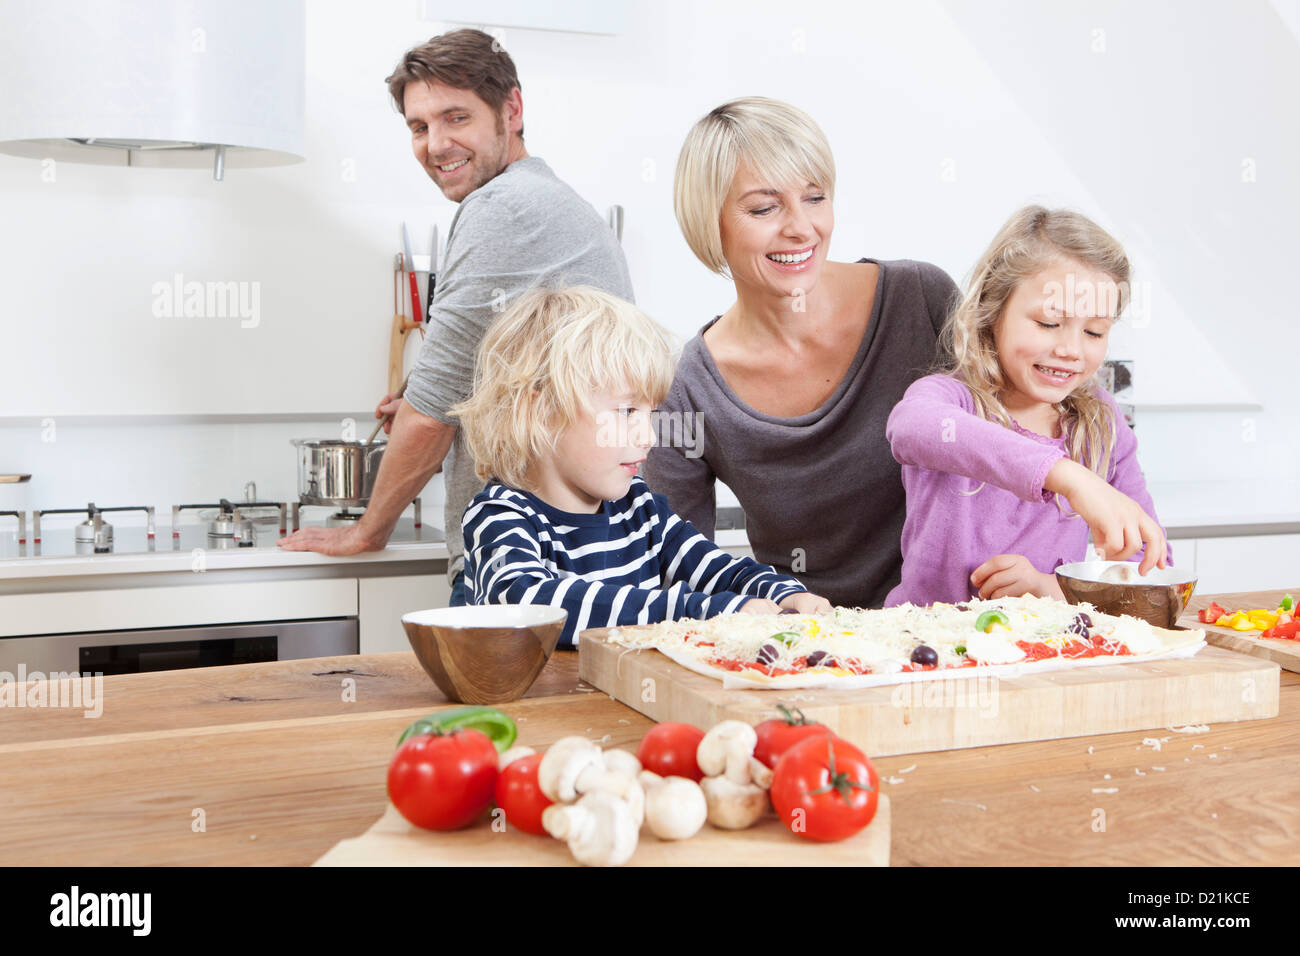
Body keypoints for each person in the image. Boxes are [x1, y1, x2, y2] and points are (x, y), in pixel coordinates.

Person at [278, 29, 633, 608]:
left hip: (524, 567)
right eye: (419, 127)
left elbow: (429, 418)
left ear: (510, 109)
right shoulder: (553, 200)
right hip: (581, 555)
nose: (436, 144)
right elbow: (501, 384)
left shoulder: (501, 209)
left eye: (455, 117)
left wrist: (366, 531)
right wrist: (441, 404)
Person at [641, 97, 960, 609]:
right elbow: (677, 566)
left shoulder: (923, 300)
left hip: (961, 627)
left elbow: (1021, 440)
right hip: (804, 645)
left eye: (815, 198)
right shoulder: (686, 389)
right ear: (710, 223)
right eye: (764, 208)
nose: (801, 228)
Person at [454, 286, 832, 648]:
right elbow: (532, 605)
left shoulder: (640, 510)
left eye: (651, 413)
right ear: (545, 412)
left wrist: (783, 593)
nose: (649, 436)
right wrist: (699, 613)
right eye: (627, 411)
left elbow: (717, 570)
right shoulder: (500, 516)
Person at [884, 205, 1170, 607]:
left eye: (1093, 331)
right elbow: (911, 428)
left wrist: (1050, 589)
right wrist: (1068, 476)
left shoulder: (1102, 423)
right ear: (993, 310)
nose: (1070, 349)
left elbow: (1152, 574)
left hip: (1047, 656)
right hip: (924, 650)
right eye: (1048, 324)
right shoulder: (949, 401)